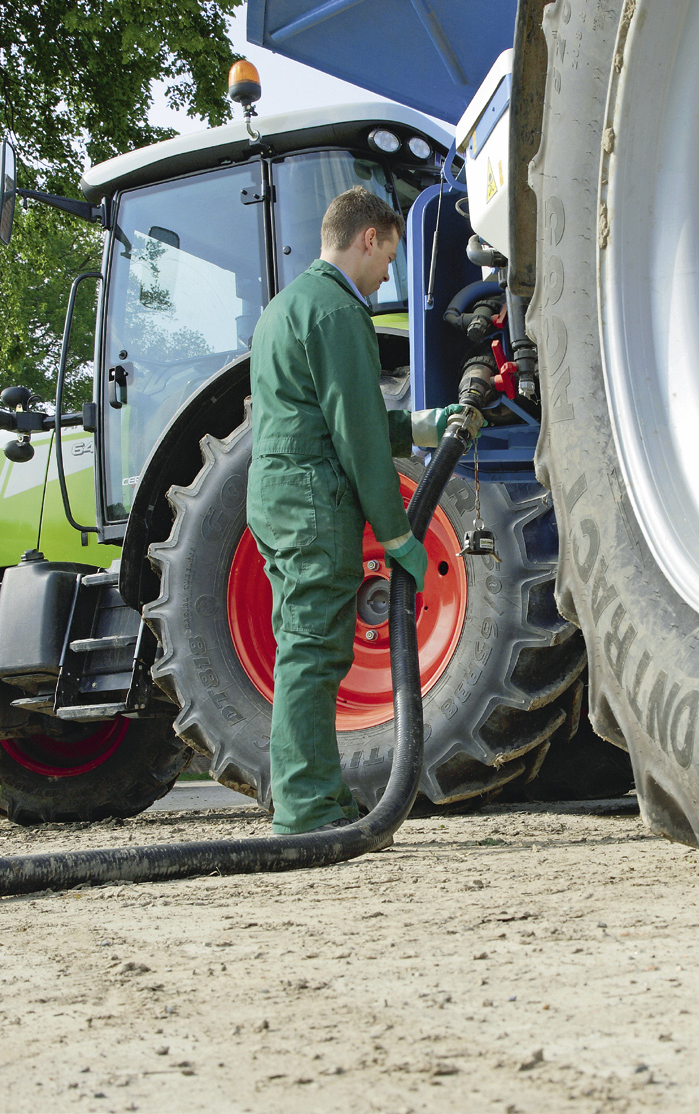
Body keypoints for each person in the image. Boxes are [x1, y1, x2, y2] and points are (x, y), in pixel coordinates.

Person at [247, 186, 463, 835]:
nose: (386, 273)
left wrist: (418, 428)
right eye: (389, 257)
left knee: (306, 645)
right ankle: (305, 806)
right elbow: (355, 433)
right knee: (312, 650)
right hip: (310, 498)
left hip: (279, 493)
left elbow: (329, 415)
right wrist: (397, 534)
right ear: (368, 237)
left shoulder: (287, 306)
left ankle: (318, 794)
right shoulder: (338, 311)